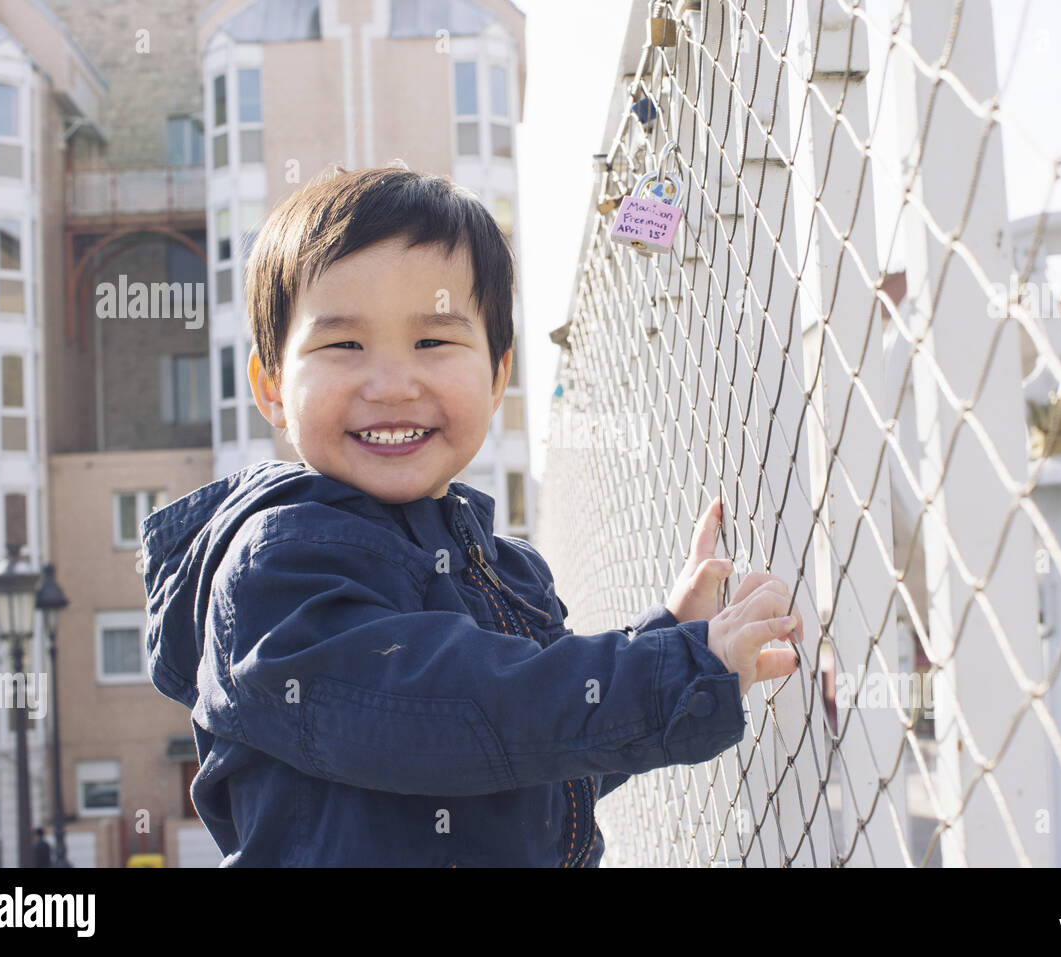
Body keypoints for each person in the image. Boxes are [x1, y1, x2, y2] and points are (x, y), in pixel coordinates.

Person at [140, 165, 803, 866]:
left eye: (433, 341)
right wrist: (673, 669)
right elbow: (448, 712)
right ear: (271, 386)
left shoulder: (503, 567)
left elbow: (540, 756)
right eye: (343, 344)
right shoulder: (277, 568)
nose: (393, 383)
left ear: (495, 379)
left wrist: (668, 635)